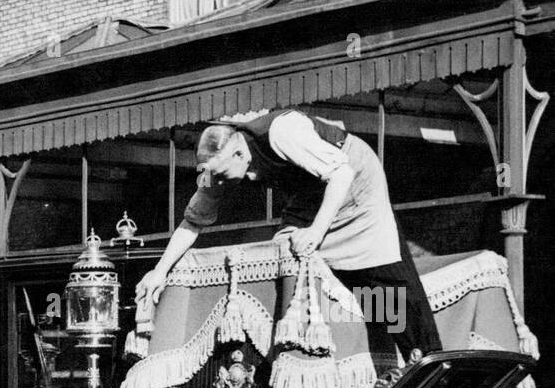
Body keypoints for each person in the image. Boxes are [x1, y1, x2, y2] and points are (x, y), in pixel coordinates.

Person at [136, 108, 441, 361]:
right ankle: (325, 359)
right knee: (283, 261)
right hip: (309, 197)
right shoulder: (219, 167)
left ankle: (420, 353)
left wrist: (317, 231)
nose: (218, 181)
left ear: (240, 153)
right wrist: (159, 272)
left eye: (222, 175)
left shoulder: (284, 131)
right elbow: (193, 222)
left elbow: (341, 174)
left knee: (378, 277)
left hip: (354, 186)